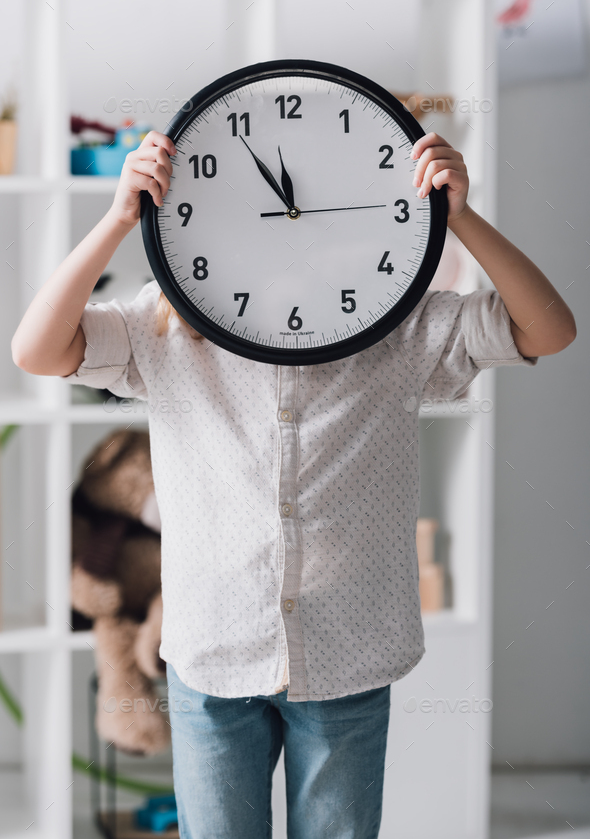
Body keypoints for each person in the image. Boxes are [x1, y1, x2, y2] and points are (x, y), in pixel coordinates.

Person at [11, 129, 576, 839]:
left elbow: (549, 330)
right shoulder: (166, 323)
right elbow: (35, 350)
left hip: (349, 655)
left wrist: (459, 214)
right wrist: (121, 217)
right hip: (213, 655)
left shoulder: (396, 325)